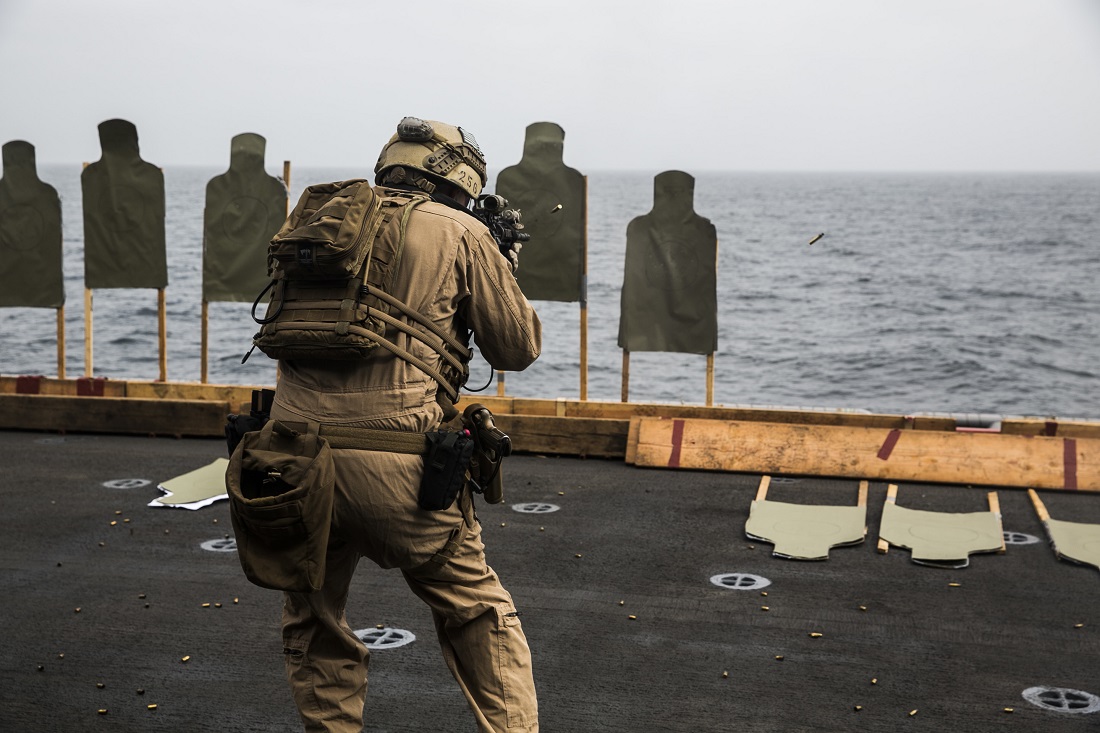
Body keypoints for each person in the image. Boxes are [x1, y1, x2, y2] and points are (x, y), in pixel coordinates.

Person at [268, 117, 542, 732]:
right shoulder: (461, 230)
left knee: (315, 621)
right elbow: (517, 347)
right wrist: (501, 260)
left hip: (290, 461)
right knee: (477, 613)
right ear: (458, 179)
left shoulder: (314, 223)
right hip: (401, 468)